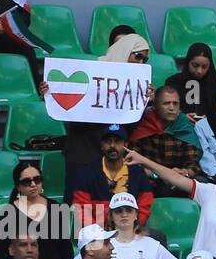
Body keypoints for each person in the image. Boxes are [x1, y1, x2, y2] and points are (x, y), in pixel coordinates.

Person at [59, 33, 151, 196]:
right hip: (82, 150)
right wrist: (50, 90)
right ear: (124, 51)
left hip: (110, 154)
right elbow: (69, 104)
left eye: (145, 60)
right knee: (77, 207)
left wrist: (144, 102)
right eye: (138, 57)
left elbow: (130, 125)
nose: (141, 63)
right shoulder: (92, 73)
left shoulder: (136, 86)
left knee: (106, 211)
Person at [66, 192, 186, 259]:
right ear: (111, 216)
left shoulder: (151, 245)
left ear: (136, 215)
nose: (124, 214)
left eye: (129, 210)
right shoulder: (101, 245)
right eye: (118, 211)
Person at [69, 125, 155, 229]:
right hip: (98, 232)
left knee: (159, 237)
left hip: (131, 230)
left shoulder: (137, 171)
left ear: (126, 144)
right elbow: (82, 209)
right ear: (101, 145)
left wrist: (133, 228)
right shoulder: (86, 172)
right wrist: (99, 234)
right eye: (107, 141)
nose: (112, 145)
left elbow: (145, 205)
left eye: (117, 141)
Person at [0, 160, 71, 259]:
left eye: (37, 180)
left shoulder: (56, 208)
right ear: (18, 186)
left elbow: (66, 249)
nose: (33, 184)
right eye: (26, 181)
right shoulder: (8, 214)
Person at [129, 85, 203, 194]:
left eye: (175, 103)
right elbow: (132, 159)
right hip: (149, 177)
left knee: (201, 183)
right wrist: (158, 174)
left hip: (178, 179)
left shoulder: (183, 126)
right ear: (155, 106)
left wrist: (185, 172)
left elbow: (193, 164)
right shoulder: (143, 123)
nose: (172, 108)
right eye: (166, 103)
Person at [164, 42, 216, 124]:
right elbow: (165, 109)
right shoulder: (173, 82)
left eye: (204, 67)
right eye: (195, 65)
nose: (199, 71)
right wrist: (181, 116)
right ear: (188, 62)